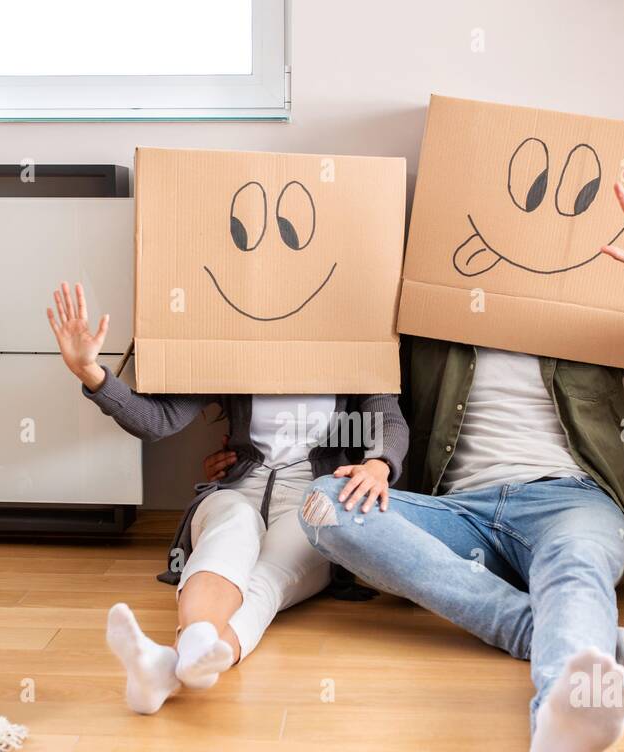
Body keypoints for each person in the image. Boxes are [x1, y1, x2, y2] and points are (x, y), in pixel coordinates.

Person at [294, 168, 624, 752]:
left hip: (573, 502)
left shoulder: (594, 316)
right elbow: (355, 385)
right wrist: (251, 446)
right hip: (460, 514)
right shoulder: (430, 320)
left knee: (573, 567)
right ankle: (546, 631)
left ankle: (557, 730)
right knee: (324, 506)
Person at [46, 282, 408, 714]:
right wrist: (92, 373)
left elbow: (388, 417)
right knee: (233, 524)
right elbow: (157, 420)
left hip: (313, 500)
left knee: (270, 574)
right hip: (239, 487)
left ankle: (168, 665)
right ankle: (192, 652)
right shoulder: (235, 347)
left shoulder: (353, 349)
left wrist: (379, 464)